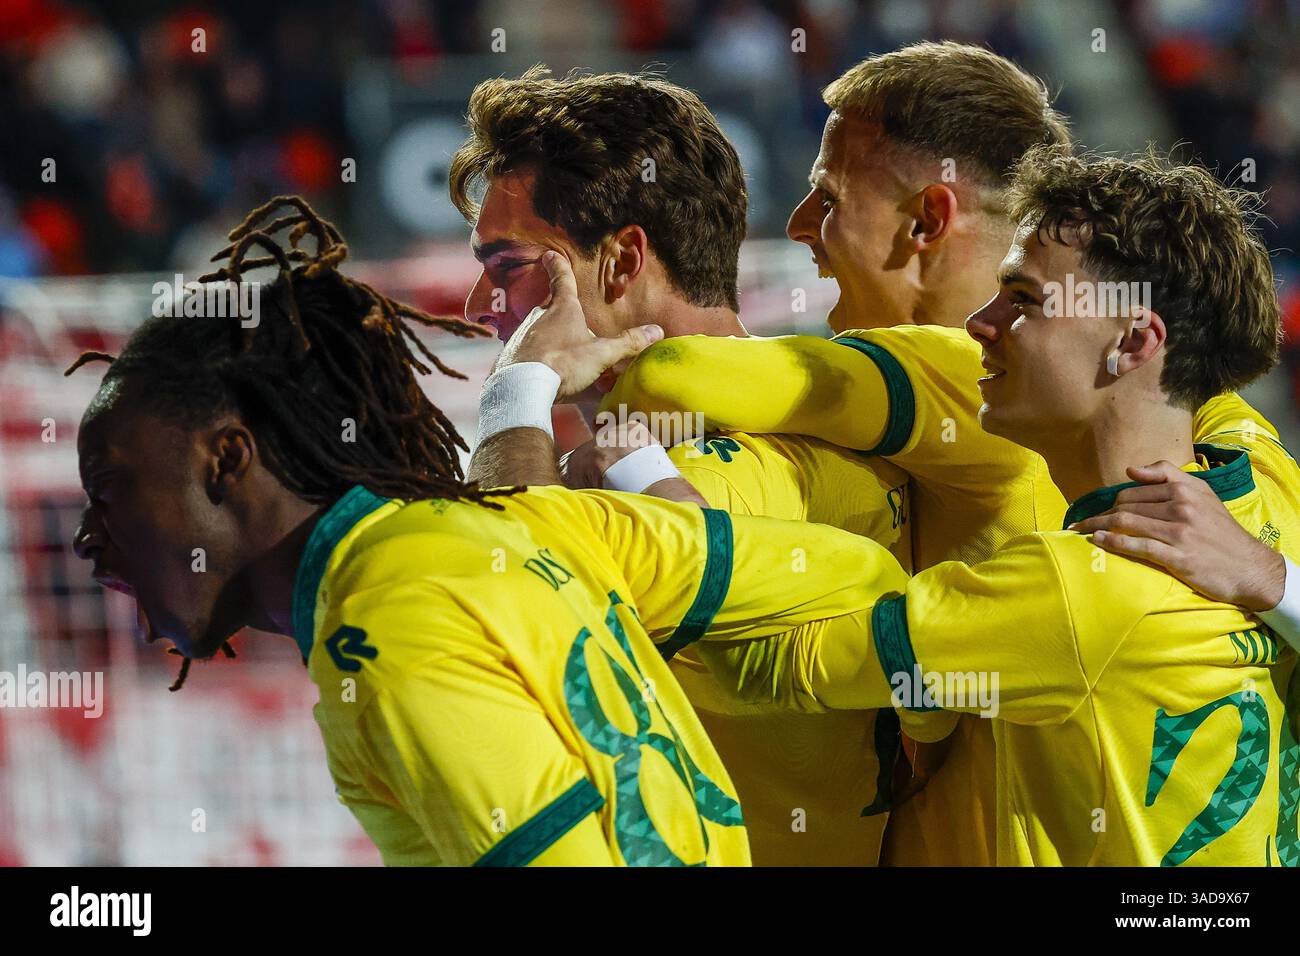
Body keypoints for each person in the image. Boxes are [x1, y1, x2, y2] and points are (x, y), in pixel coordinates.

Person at [509, 148, 1300, 865]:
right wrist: (1277, 582)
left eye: (1022, 301)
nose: (982, 325)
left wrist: (642, 470)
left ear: (1134, 343)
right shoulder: (1259, 475)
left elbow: (768, 664)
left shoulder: (1075, 591)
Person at [69, 197, 915, 867]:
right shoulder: (509, 524)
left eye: (109, 491)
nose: (89, 543)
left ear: (225, 459)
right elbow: (855, 577)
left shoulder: (386, 628)